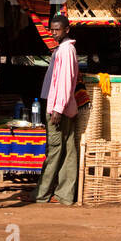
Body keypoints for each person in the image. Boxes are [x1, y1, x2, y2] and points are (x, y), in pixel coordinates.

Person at [36, 14, 79, 204]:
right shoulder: (62, 49)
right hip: (61, 107)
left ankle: (42, 194)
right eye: (52, 29)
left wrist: (57, 109)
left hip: (58, 108)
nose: (54, 32)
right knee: (67, 149)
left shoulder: (66, 51)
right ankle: (64, 195)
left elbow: (65, 82)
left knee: (54, 150)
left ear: (66, 30)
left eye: (57, 29)